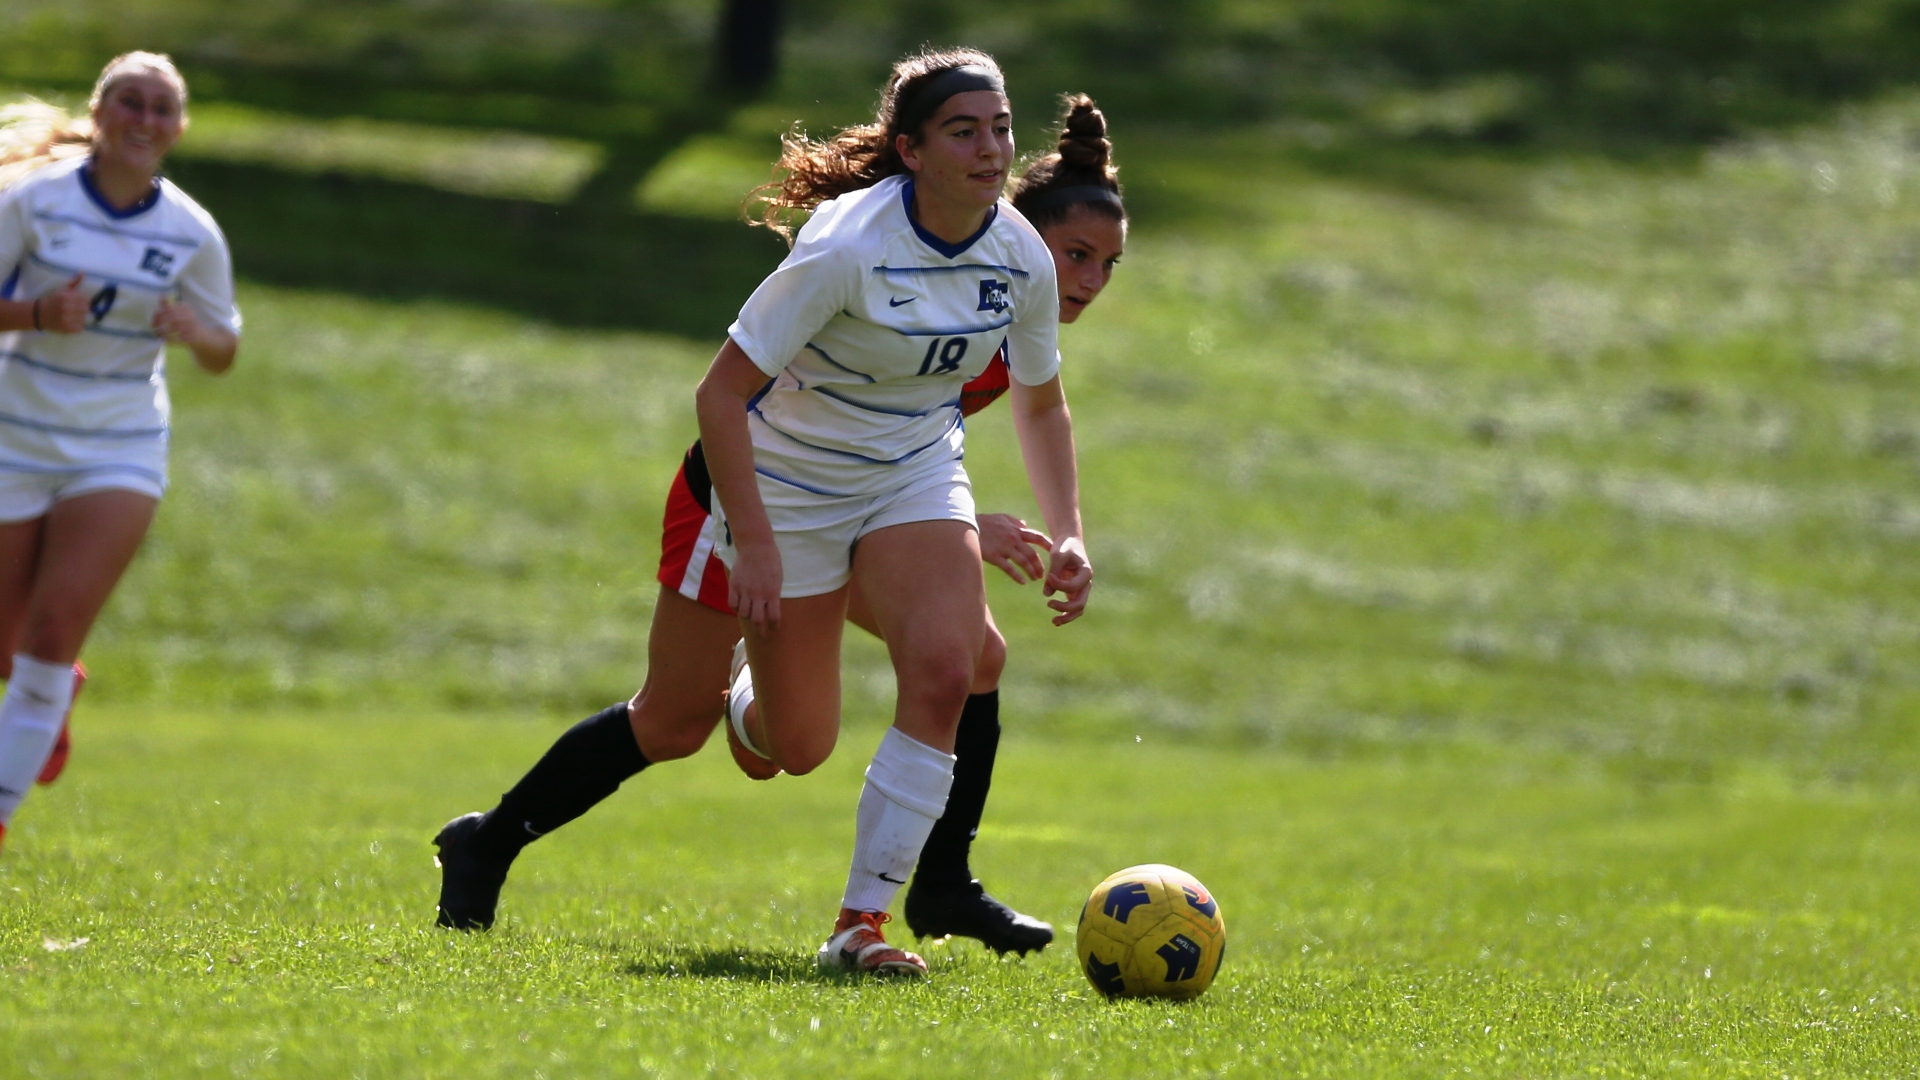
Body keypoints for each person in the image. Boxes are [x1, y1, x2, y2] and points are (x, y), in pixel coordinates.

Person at [433, 70, 1115, 977]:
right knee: (730, 733)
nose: (990, 149)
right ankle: (487, 840)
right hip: (772, 484)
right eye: (962, 131)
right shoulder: (847, 247)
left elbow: (1042, 406)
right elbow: (720, 395)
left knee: (958, 663)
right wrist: (754, 541)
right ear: (910, 152)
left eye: (998, 129)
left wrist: (1069, 530)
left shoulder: (1019, 257)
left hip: (909, 480)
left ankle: (863, 924)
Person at [0, 53, 240, 850]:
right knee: (7, 640)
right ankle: (52, 693)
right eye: (130, 103)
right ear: (100, 115)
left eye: (162, 108)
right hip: (15, 429)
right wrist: (36, 313)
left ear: (179, 129)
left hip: (120, 442)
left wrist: (196, 332)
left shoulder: (190, 230)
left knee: (50, 635)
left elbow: (223, 348)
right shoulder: (34, 202)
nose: (145, 120)